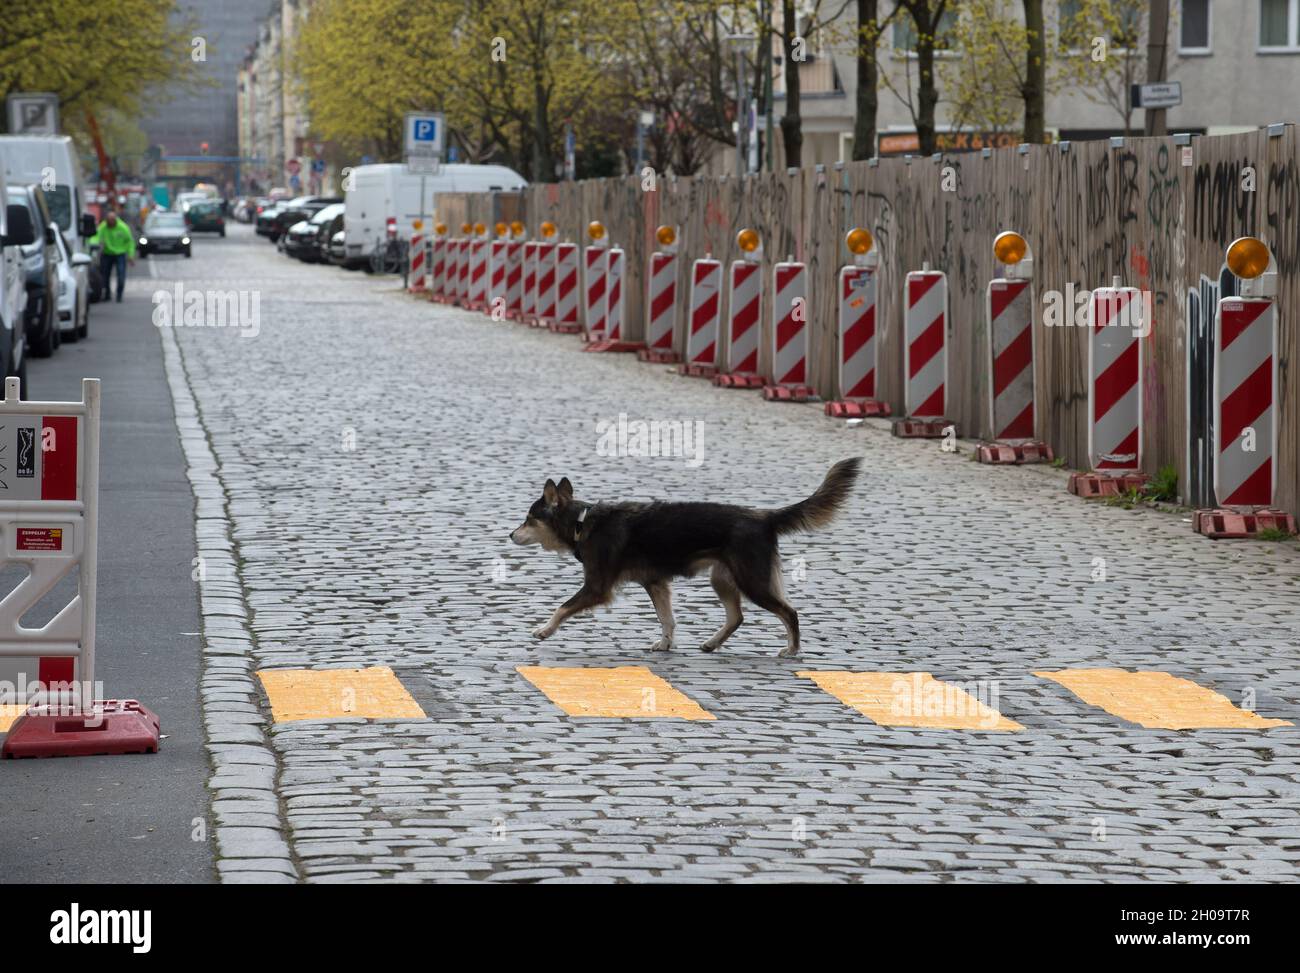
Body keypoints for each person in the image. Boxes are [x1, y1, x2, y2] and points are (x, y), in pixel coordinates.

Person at [88, 210, 136, 302]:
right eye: (108, 221)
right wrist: (93, 244)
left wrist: (131, 255)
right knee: (105, 275)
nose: (109, 223)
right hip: (107, 253)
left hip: (120, 254)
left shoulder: (123, 228)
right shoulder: (104, 226)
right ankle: (107, 293)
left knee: (121, 275)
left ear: (115, 220)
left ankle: (119, 294)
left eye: (111, 221)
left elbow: (130, 242)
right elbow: (96, 236)